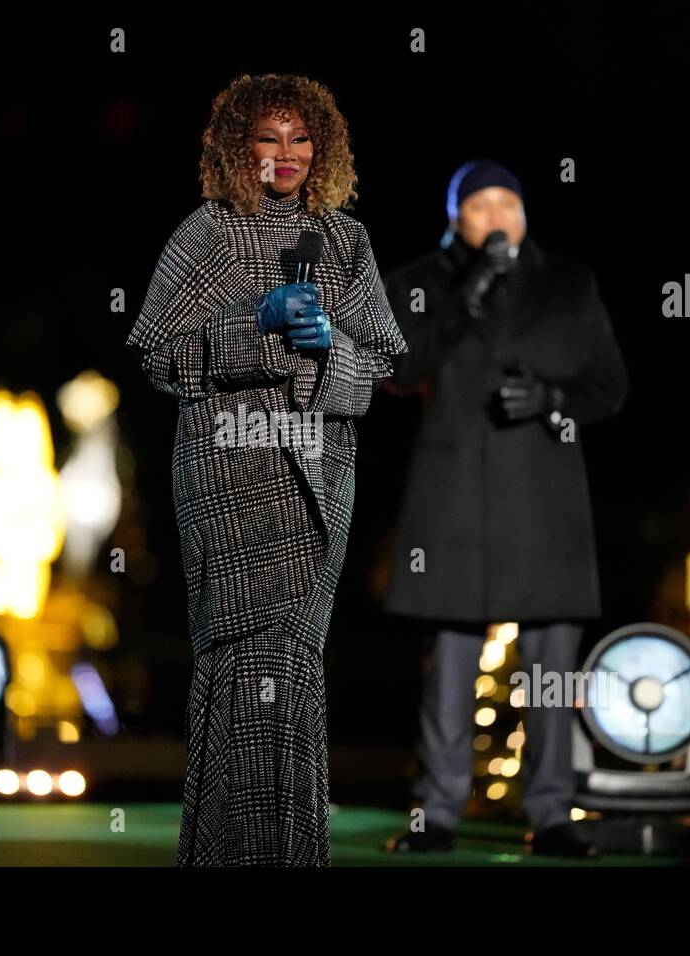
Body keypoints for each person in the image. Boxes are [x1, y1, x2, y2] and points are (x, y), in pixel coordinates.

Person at [126, 73, 406, 865]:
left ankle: (273, 850)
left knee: (292, 659)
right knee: (248, 655)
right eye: (267, 139)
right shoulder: (205, 232)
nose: (284, 155)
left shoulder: (346, 241)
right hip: (228, 470)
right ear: (236, 150)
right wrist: (254, 324)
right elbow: (160, 356)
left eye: (300, 139)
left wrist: (330, 349)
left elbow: (379, 360)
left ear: (324, 151)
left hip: (319, 481)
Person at [380, 161, 627, 857]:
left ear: (524, 214)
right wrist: (467, 295)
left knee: (550, 665)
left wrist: (552, 401)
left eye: (507, 204)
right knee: (450, 665)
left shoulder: (569, 284)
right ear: (457, 216)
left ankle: (551, 812)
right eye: (479, 205)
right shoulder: (420, 282)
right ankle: (438, 812)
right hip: (453, 500)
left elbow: (609, 386)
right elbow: (399, 368)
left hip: (544, 501)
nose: (496, 216)